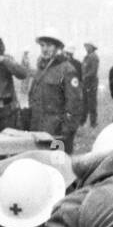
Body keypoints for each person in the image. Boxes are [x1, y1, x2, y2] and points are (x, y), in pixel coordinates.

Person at [27, 27, 83, 155]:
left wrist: (66, 132)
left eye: (49, 45)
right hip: (38, 130)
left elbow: (74, 104)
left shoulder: (67, 70)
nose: (45, 49)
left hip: (57, 133)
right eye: (42, 45)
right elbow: (33, 97)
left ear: (58, 48)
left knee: (58, 168)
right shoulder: (41, 69)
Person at [81, 42, 99, 127]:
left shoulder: (94, 57)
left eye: (88, 46)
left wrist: (84, 76)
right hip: (85, 83)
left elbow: (93, 71)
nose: (86, 48)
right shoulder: (87, 57)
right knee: (84, 103)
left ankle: (93, 123)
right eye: (86, 46)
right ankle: (82, 121)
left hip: (91, 83)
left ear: (92, 47)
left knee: (91, 104)